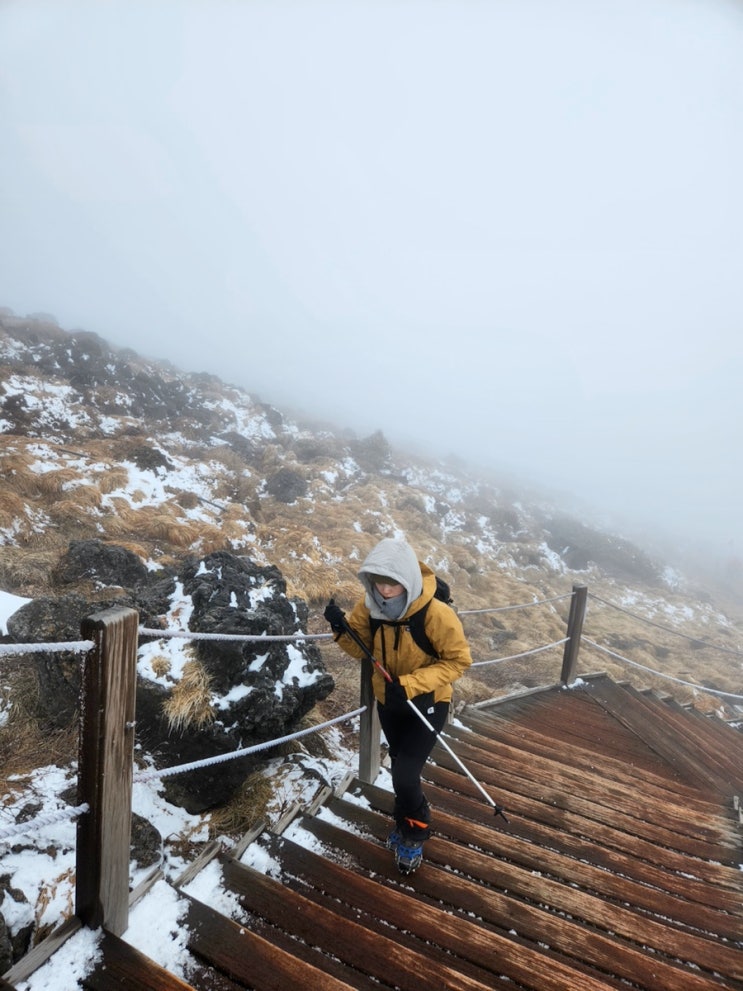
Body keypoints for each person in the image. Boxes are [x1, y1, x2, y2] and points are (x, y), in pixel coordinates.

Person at [323, 537, 472, 873]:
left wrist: (410, 684)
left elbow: (458, 662)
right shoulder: (370, 606)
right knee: (402, 769)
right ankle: (406, 820)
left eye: (393, 583)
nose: (385, 590)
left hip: (429, 703)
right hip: (389, 702)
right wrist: (339, 627)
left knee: (405, 775)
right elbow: (360, 649)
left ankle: (414, 834)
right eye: (379, 581)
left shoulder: (436, 614)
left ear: (407, 579)